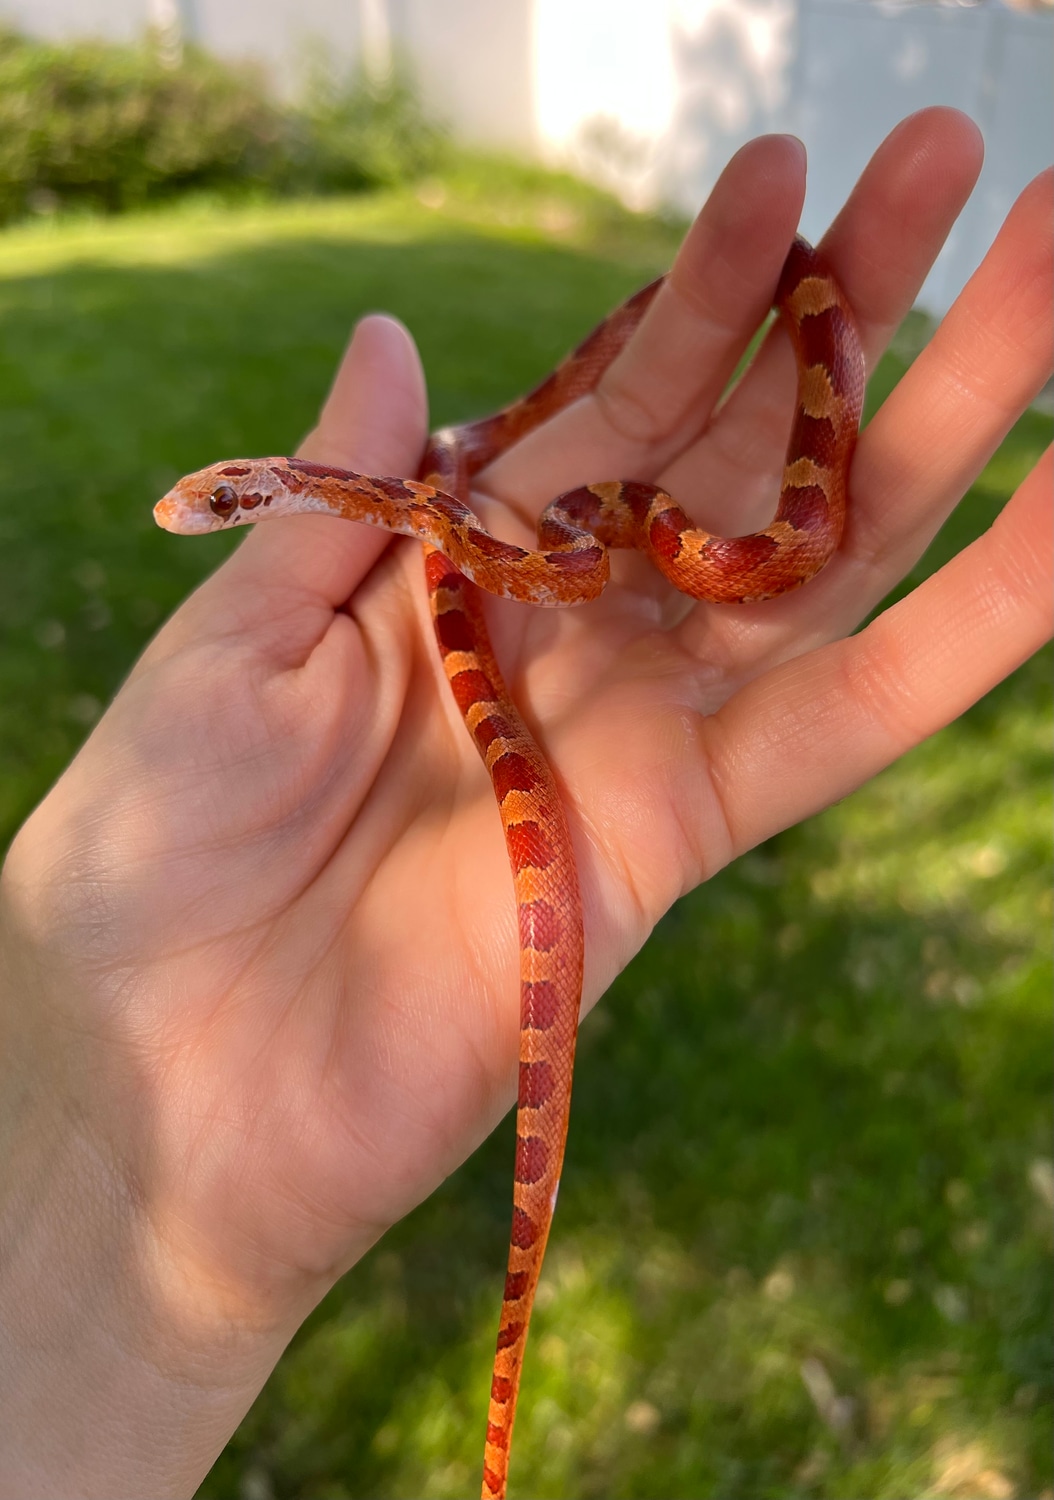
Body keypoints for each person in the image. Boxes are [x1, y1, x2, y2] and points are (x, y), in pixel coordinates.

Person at [0, 107, 1050, 1497]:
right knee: (480, 516)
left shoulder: (513, 530)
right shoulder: (434, 526)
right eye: (211, 507)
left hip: (559, 516)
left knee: (597, 516)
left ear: (267, 494)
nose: (197, 513)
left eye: (212, 506)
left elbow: (627, 542)